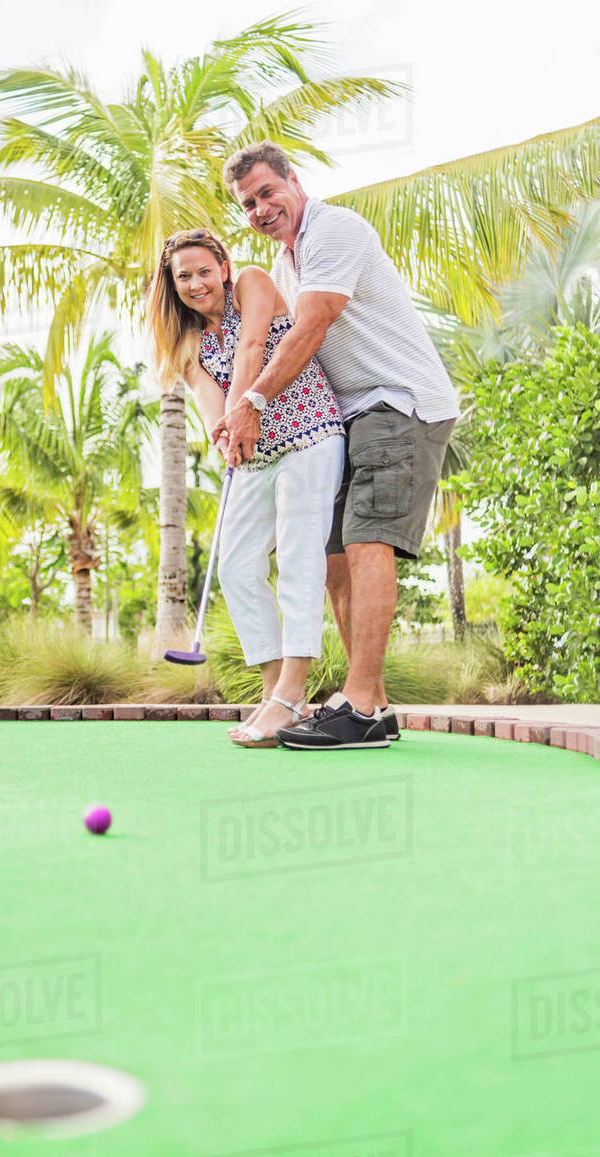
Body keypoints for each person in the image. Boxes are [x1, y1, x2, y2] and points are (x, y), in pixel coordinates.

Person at [214, 141, 461, 750]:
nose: (260, 209)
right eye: (248, 204)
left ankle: (358, 701)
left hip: (398, 400)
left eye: (267, 192)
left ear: (294, 181)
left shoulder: (334, 230)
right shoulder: (284, 266)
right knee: (332, 559)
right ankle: (373, 705)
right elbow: (263, 345)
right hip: (347, 416)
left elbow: (313, 324)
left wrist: (253, 404)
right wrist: (232, 413)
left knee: (367, 538)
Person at [147, 228, 345, 747]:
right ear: (172, 284)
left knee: (298, 561)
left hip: (309, 434)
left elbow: (252, 348)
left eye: (203, 271)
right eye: (183, 276)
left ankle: (291, 693)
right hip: (254, 456)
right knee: (235, 566)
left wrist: (239, 414)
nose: (196, 283)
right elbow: (208, 401)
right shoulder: (187, 340)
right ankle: (275, 692)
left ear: (224, 267)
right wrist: (222, 437)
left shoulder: (253, 284)